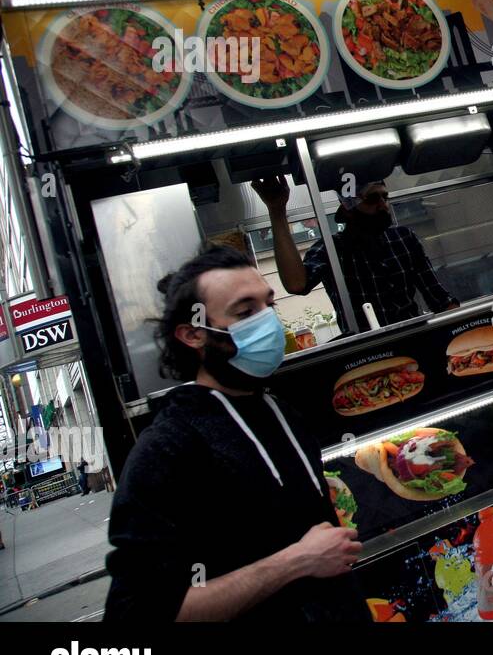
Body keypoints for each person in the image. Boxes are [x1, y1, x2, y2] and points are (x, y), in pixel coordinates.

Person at [104, 246, 369, 621]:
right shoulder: (168, 448)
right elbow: (142, 610)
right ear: (193, 334)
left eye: (269, 307)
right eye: (245, 313)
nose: (269, 324)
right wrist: (295, 562)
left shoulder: (280, 410)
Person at [254, 176, 457, 331]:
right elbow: (297, 284)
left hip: (415, 334)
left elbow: (438, 297)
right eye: (372, 199)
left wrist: (461, 326)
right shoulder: (333, 249)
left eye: (385, 198)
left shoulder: (403, 238)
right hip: (366, 349)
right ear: (349, 208)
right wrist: (277, 211)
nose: (383, 206)